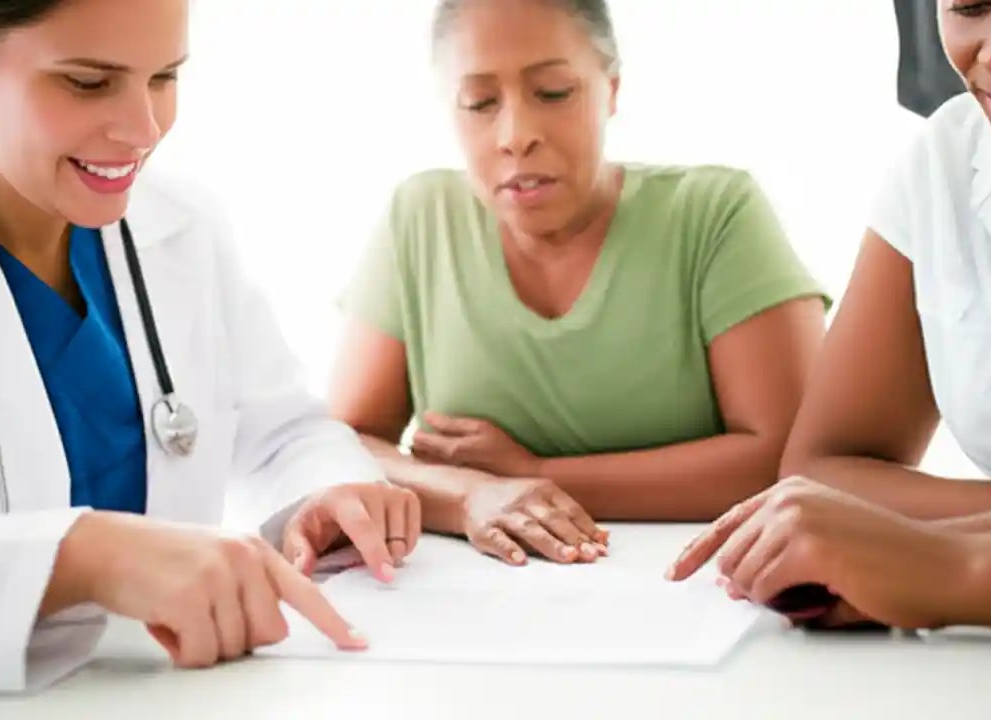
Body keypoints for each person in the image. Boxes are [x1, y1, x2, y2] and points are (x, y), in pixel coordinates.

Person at [0, 0, 421, 693]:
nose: (143, 129)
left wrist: (322, 488)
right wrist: (77, 559)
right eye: (88, 82)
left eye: (163, 77)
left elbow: (282, 431)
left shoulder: (182, 229)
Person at [669, 0, 991, 645]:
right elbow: (826, 470)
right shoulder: (946, 157)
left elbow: (864, 509)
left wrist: (944, 565)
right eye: (967, 3)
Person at [330, 0, 828, 567]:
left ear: (610, 90)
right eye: (480, 103)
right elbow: (339, 447)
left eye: (553, 93)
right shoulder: (419, 219)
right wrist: (470, 494)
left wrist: (537, 477)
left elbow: (792, 459)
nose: (515, 135)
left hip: (702, 591)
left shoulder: (714, 214)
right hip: (485, 606)